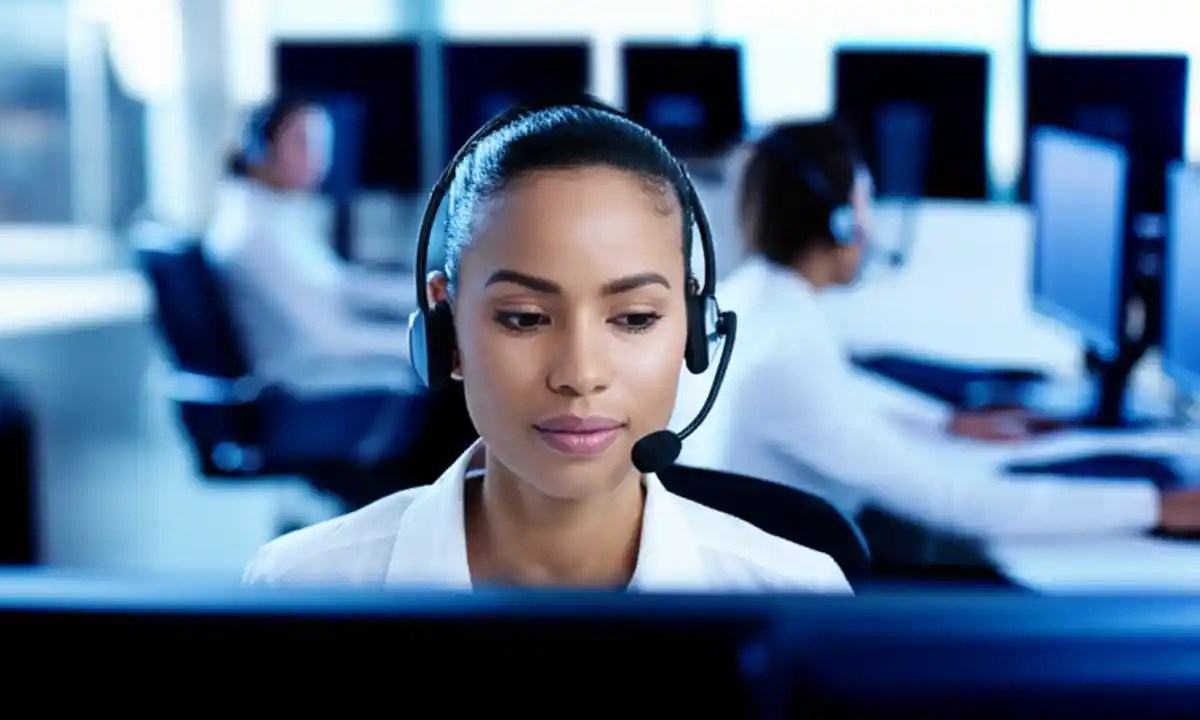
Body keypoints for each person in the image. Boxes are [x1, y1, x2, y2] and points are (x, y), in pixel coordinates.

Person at [242, 101, 851, 592]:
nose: (580, 374)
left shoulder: (796, 597)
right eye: (525, 319)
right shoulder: (299, 589)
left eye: (635, 318)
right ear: (446, 328)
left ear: (693, 327)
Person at [673, 119, 1200, 540]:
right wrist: (1156, 505)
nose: (870, 222)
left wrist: (947, 422)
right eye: (866, 200)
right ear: (842, 222)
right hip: (786, 610)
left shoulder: (755, 301)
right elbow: (958, 501)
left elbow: (852, 397)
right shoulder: (785, 353)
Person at [205, 97, 416, 395]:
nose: (319, 160)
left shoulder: (272, 214)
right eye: (304, 144)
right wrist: (421, 342)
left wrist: (428, 294)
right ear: (261, 149)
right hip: (305, 384)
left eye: (322, 145)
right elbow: (324, 339)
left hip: (317, 369)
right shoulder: (253, 234)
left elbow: (338, 283)